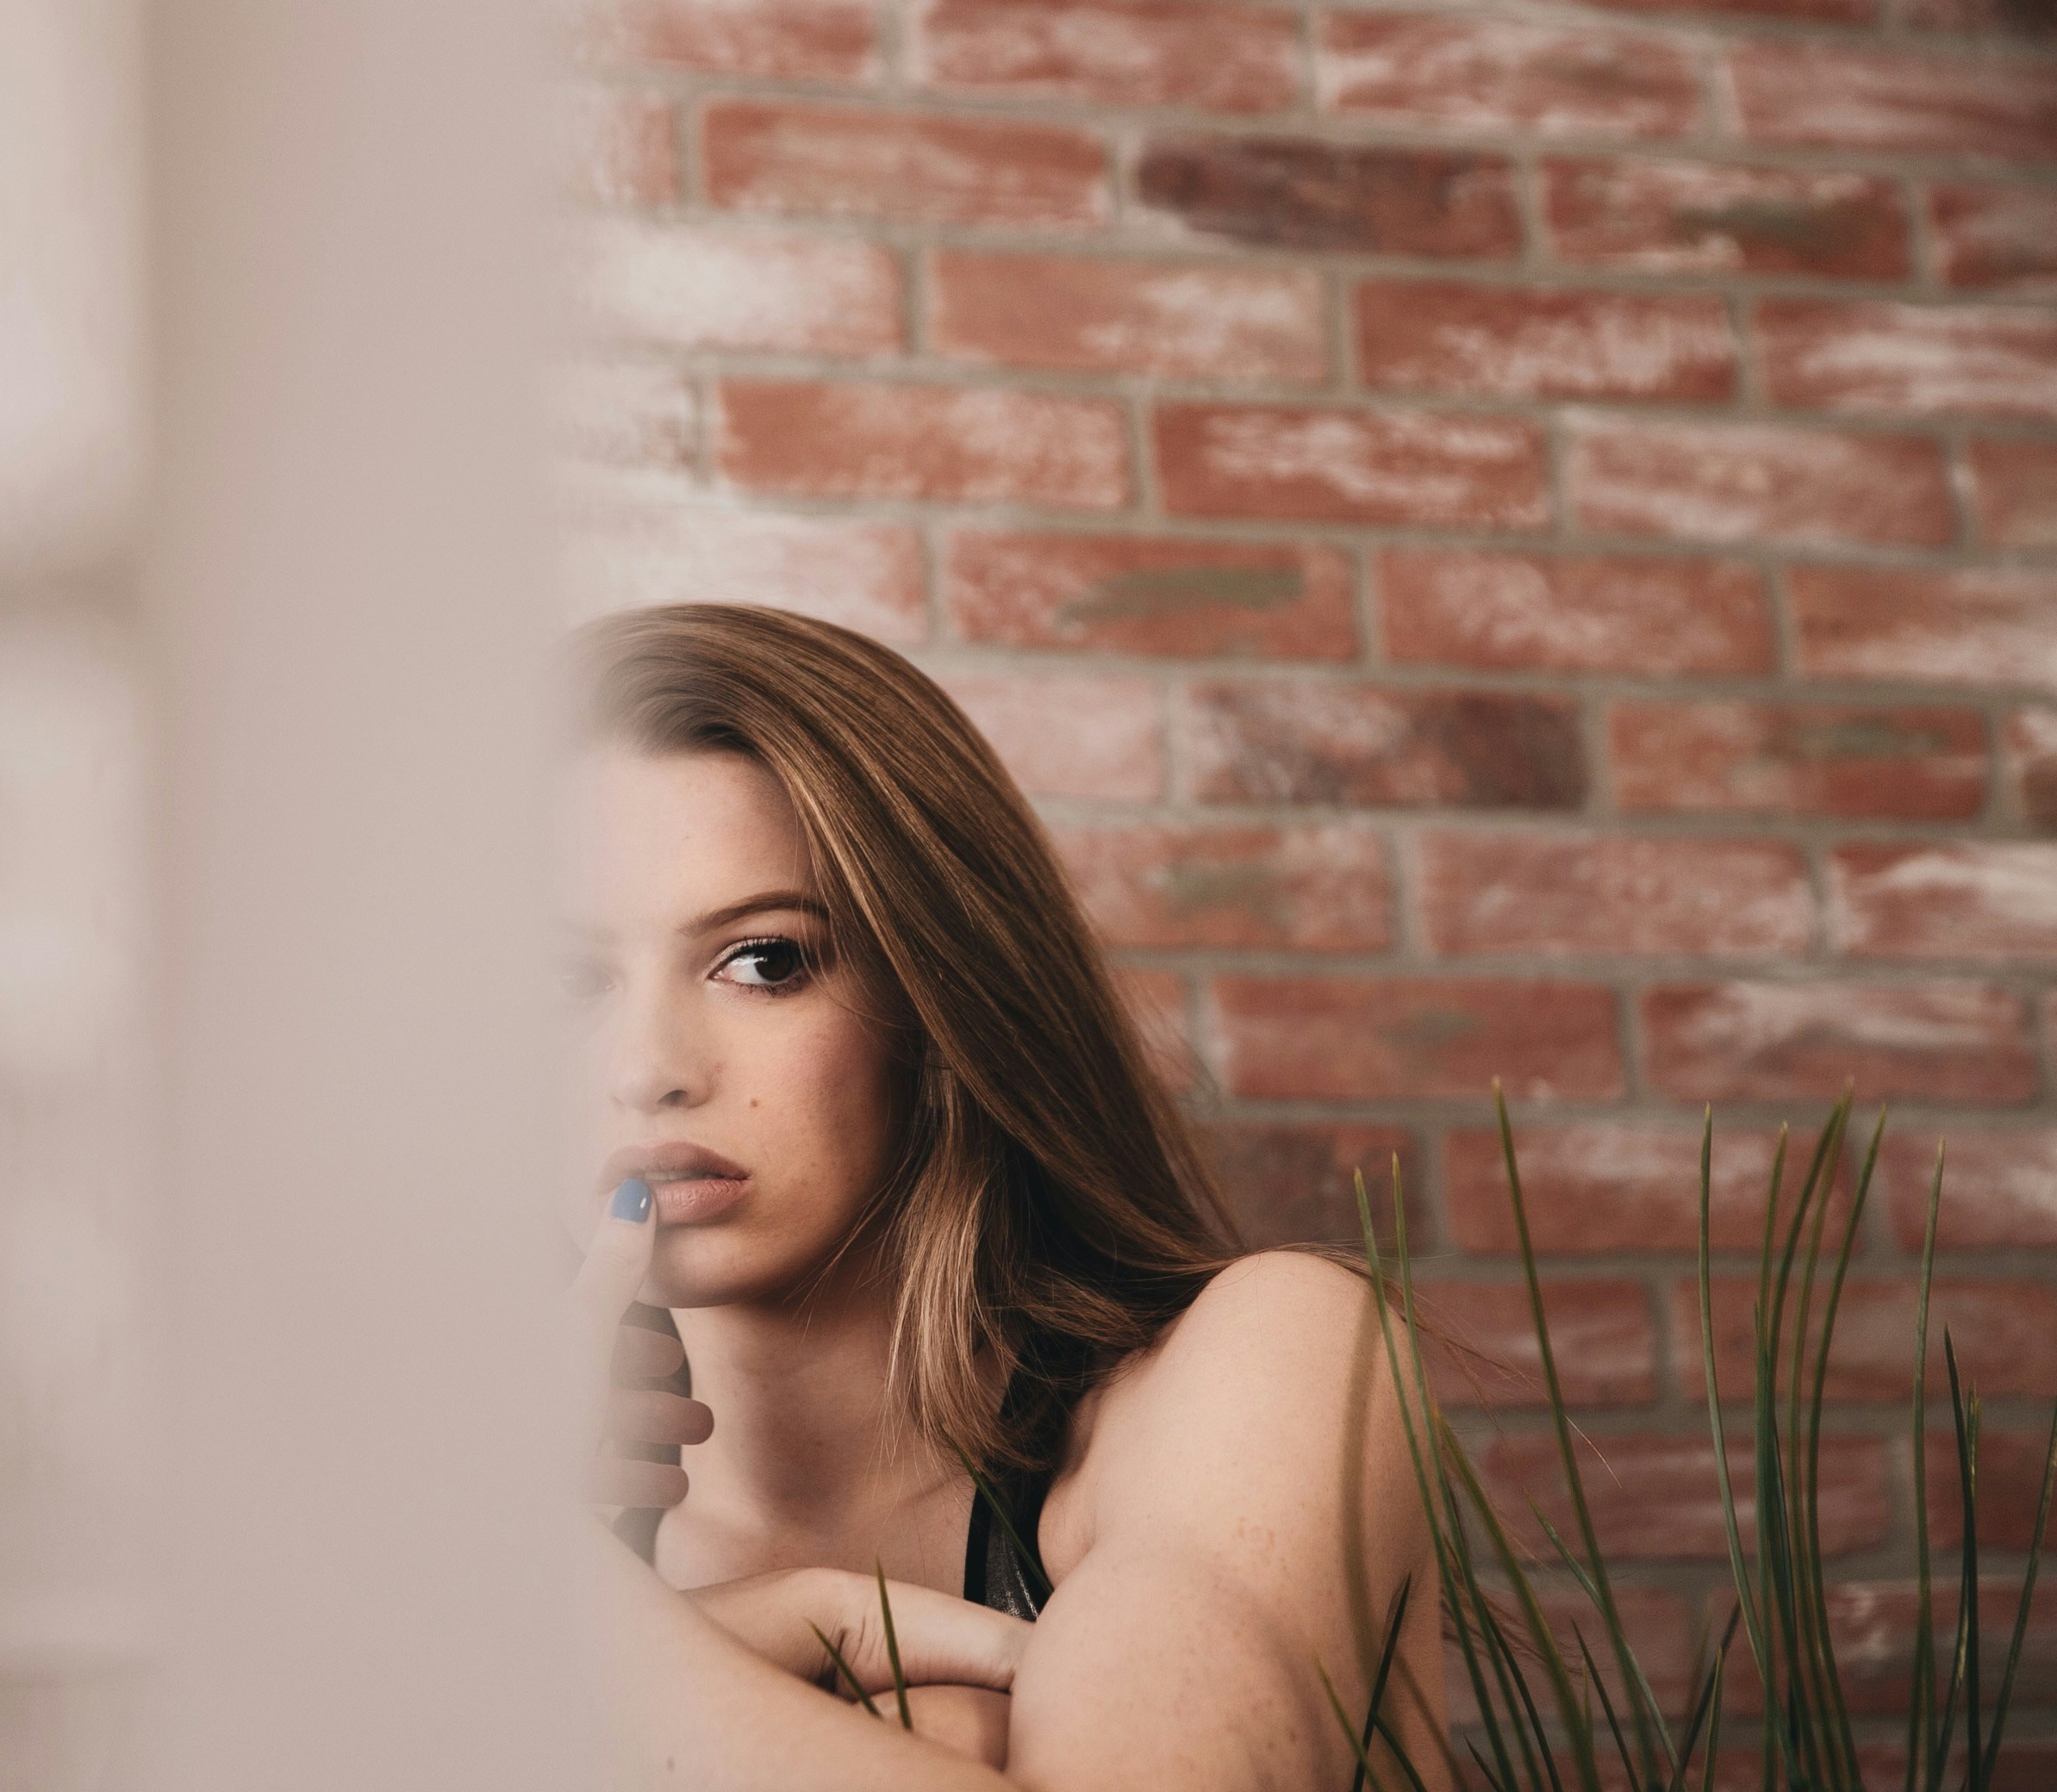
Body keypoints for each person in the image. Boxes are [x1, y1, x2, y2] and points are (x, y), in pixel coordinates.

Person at [558, 603, 1445, 1787]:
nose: (645, 1068)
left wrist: (530, 1622)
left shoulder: (1273, 1358)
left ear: (938, 1003)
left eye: (765, 961)